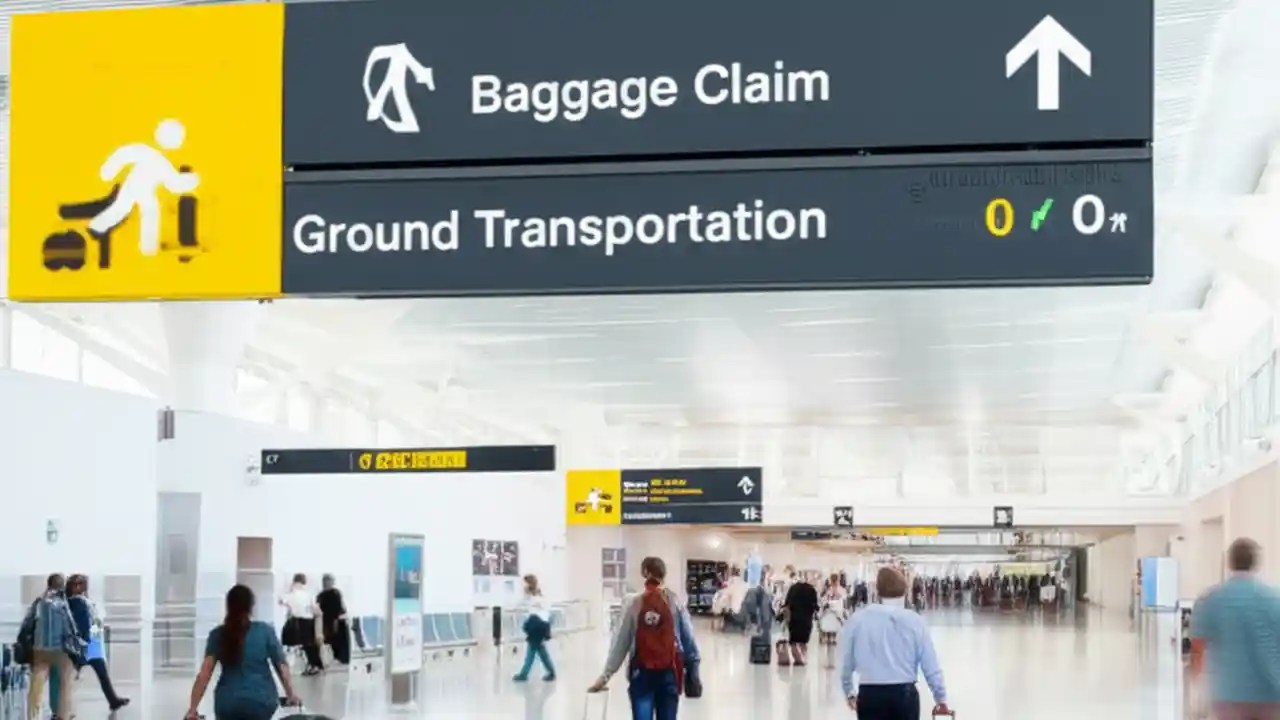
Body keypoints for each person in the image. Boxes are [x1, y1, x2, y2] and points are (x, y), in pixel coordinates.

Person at [588, 556, 700, 720]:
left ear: (645, 574)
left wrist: (605, 675)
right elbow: (688, 639)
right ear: (664, 574)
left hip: (641, 672)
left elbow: (621, 641)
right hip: (670, 671)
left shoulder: (634, 603)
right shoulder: (675, 602)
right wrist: (694, 669)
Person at [838, 567, 950, 720]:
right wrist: (941, 698)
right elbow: (930, 664)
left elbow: (846, 659)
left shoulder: (858, 620)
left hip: (870, 694)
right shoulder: (915, 621)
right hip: (904, 694)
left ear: (877, 590)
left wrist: (849, 691)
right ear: (905, 590)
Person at [1190, 537, 1280, 720]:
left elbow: (1197, 650)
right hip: (1269, 692)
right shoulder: (1273, 599)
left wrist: (1197, 694)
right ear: (1255, 562)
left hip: (1227, 694)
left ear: (1230, 563)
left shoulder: (1210, 599)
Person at [185, 585, 301, 720]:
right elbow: (281, 667)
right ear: (251, 606)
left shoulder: (218, 634)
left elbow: (204, 674)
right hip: (261, 700)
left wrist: (193, 709)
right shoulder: (265, 631)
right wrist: (291, 695)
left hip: (227, 702)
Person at [89, 119, 199, 256]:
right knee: (134, 209)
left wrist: (108, 172)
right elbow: (174, 183)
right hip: (136, 187)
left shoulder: (157, 159)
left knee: (127, 208)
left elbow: (173, 183)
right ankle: (147, 247)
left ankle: (98, 227)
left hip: (139, 188)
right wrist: (193, 180)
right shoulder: (157, 159)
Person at [23, 573, 84, 720]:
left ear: (48, 584)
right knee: (64, 682)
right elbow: (70, 627)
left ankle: (33, 715)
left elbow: (28, 624)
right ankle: (62, 714)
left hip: (40, 649)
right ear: (62, 585)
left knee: (37, 681)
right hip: (60, 650)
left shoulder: (39, 602)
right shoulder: (63, 604)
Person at [66, 574, 129, 711]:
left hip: (90, 644)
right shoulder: (79, 602)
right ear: (76, 586)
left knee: (100, 674)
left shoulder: (77, 601)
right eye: (83, 584)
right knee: (86, 675)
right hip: (88, 645)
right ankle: (112, 700)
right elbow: (84, 623)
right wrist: (88, 639)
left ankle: (113, 700)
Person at [513, 574, 556, 682]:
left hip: (535, 625)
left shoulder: (530, 598)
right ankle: (550, 672)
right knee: (540, 650)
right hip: (542, 625)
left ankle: (524, 674)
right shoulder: (539, 596)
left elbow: (520, 605)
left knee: (532, 651)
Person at [280, 573, 323, 675]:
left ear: (294, 581)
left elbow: (282, 601)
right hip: (308, 621)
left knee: (293, 646)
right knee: (310, 646)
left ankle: (294, 665)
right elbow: (317, 611)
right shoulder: (309, 595)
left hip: (296, 622)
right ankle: (314, 665)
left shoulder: (290, 595)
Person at [783, 572, 819, 666]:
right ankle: (801, 657)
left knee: (794, 641)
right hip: (806, 619)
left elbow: (787, 605)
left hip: (794, 619)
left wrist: (786, 619)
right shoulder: (811, 590)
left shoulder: (793, 588)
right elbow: (816, 607)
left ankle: (798, 659)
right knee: (803, 641)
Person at [315, 574, 350, 666]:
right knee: (341, 641)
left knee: (331, 642)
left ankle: (335, 658)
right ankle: (342, 658)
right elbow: (342, 608)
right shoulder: (336, 593)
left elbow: (318, 610)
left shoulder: (320, 596)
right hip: (337, 621)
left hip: (326, 623)